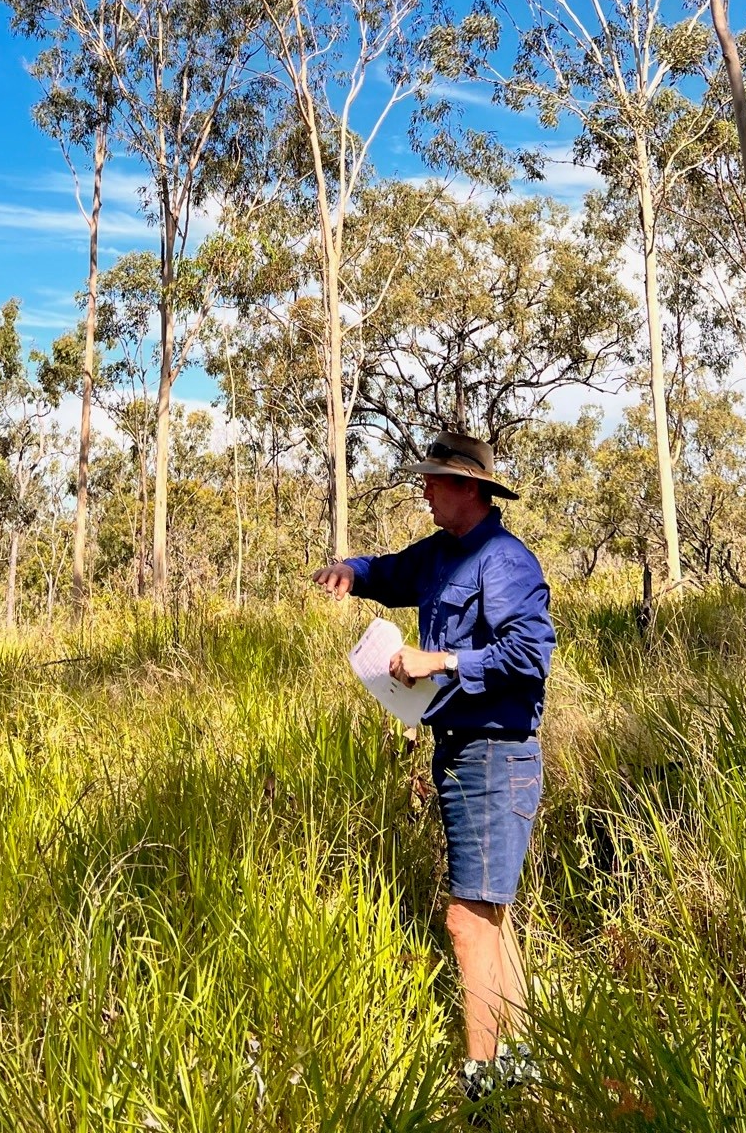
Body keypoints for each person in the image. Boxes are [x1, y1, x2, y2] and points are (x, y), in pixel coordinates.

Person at [313, 431, 555, 1103]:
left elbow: (529, 657)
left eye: (434, 481)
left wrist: (441, 660)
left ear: (469, 488)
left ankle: (482, 1088)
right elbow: (389, 572)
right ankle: (518, 1067)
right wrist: (351, 572)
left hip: (495, 755)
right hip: (460, 750)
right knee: (489, 915)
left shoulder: (504, 563)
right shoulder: (441, 555)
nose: (423, 490)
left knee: (467, 919)